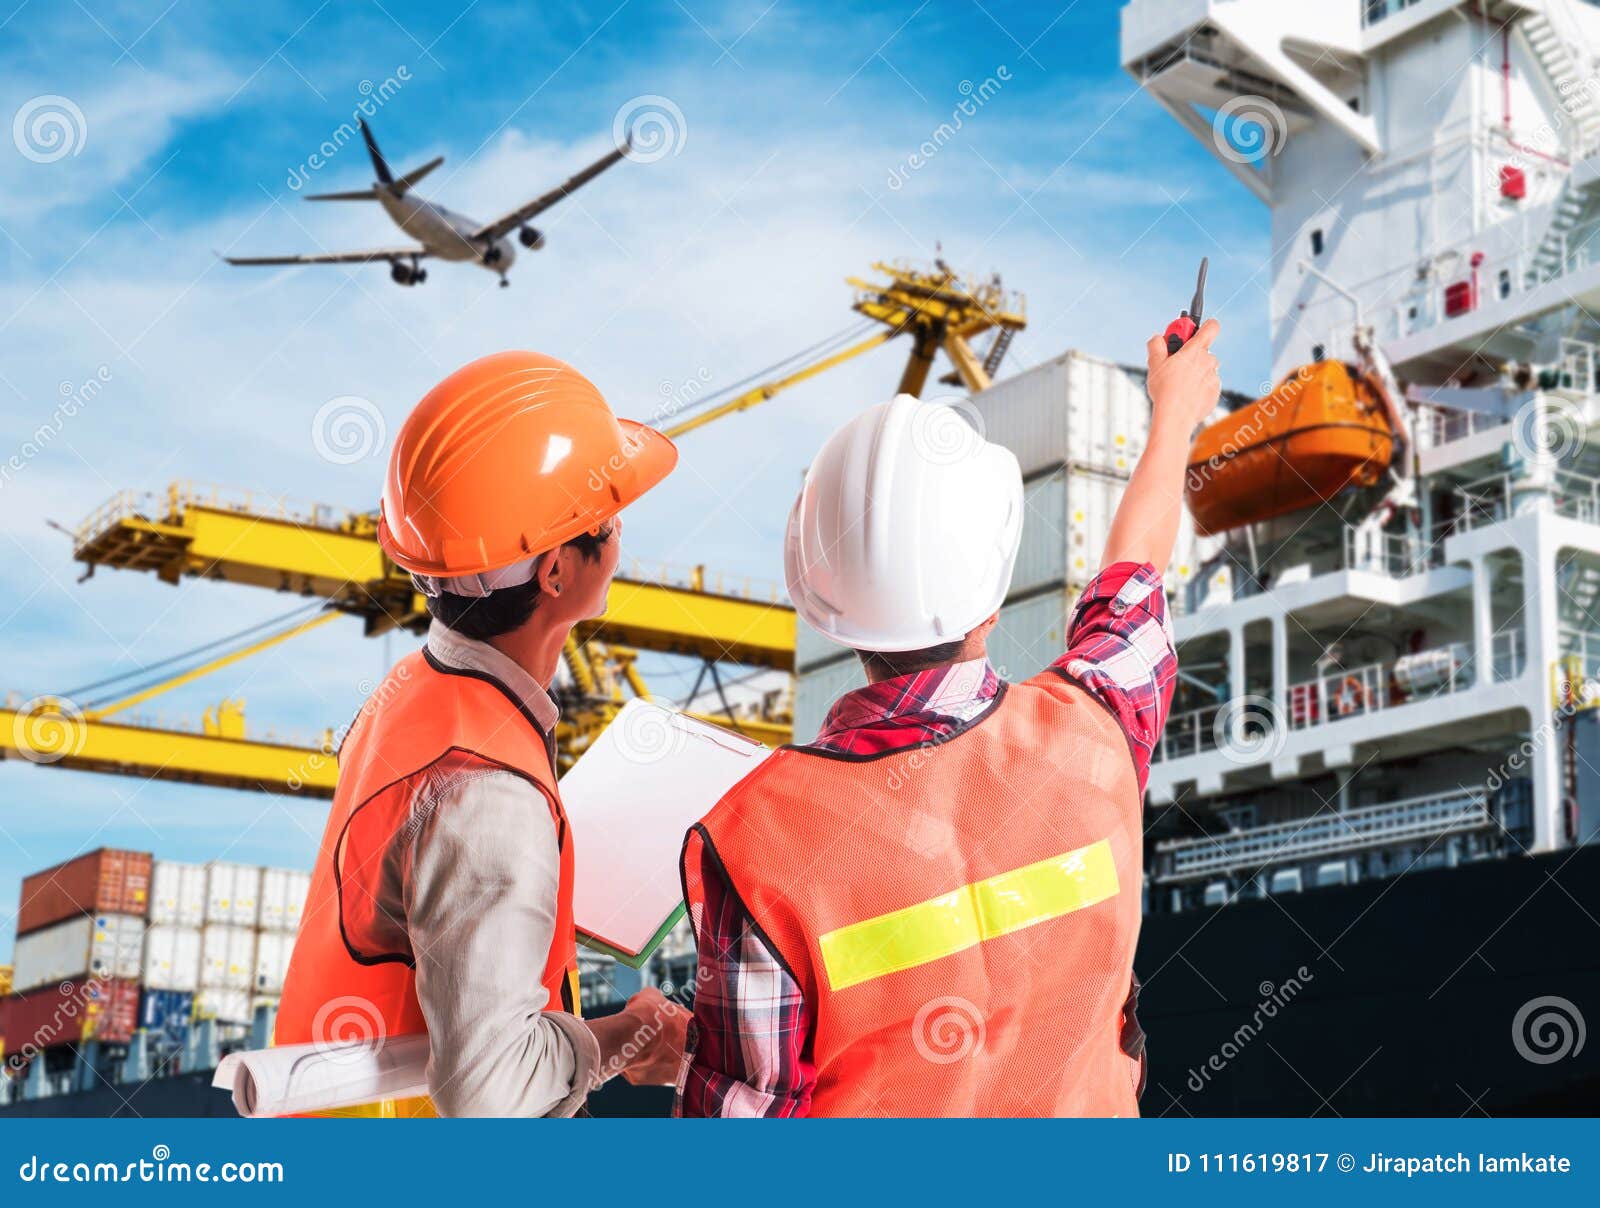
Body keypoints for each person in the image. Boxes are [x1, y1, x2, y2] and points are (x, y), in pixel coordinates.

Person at [675, 320, 1222, 1117]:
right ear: (995, 592)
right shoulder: (1098, 724)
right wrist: (1174, 411)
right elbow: (1131, 579)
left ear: (825, 611)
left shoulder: (757, 839)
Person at [276, 350, 690, 1117]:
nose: (621, 524)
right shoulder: (490, 790)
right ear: (558, 573)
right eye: (604, 517)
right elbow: (491, 1095)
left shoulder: (407, 695)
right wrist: (624, 1036)